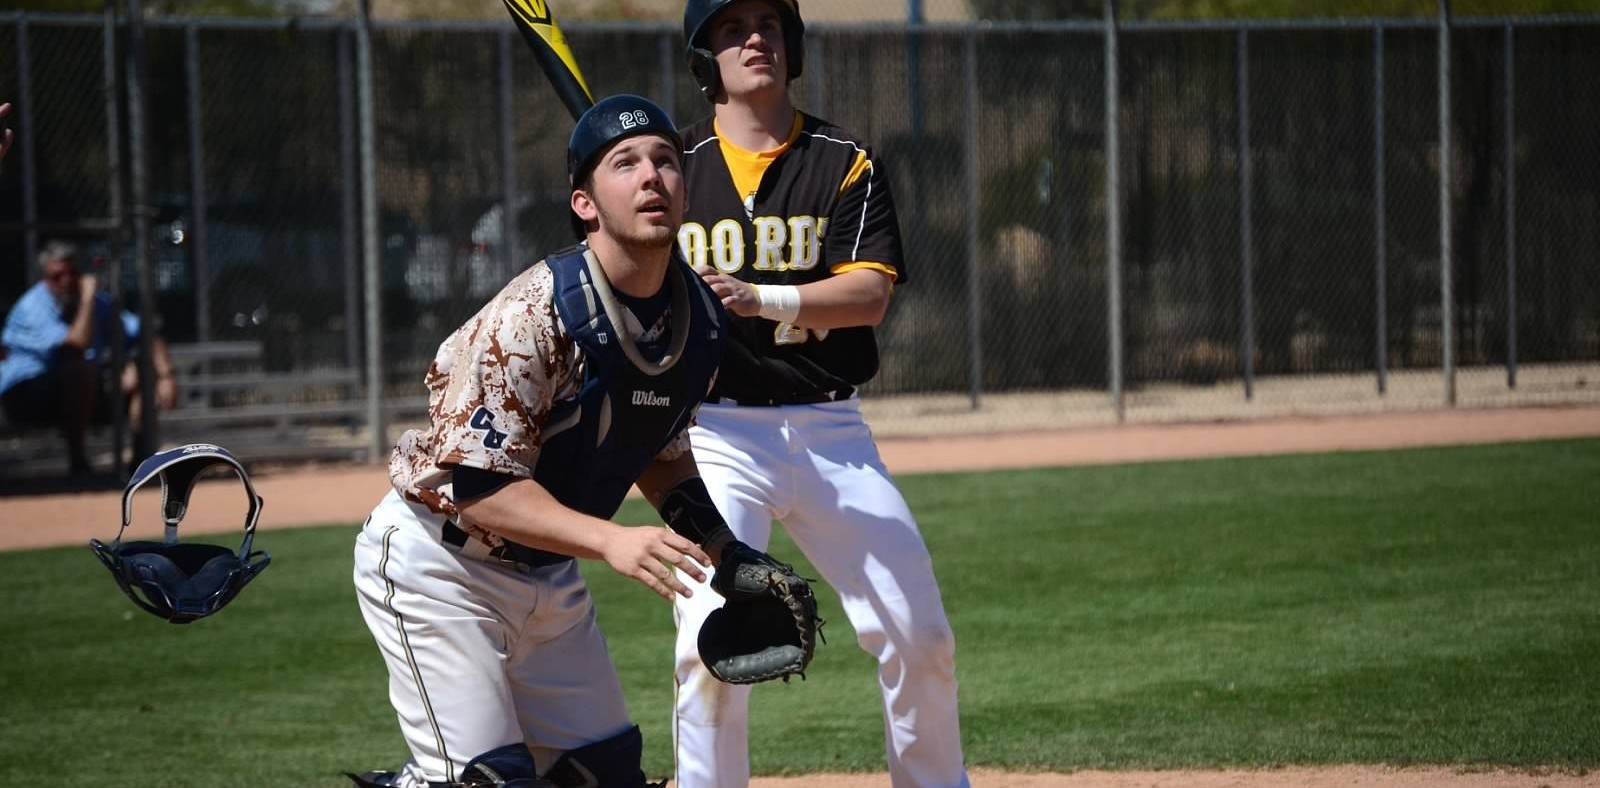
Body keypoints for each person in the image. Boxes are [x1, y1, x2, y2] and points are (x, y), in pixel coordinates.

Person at [348, 95, 757, 788]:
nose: (651, 176)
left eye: (664, 160)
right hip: (442, 563)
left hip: (548, 573)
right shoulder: (532, 317)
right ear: (585, 204)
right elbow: (479, 489)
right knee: (487, 779)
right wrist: (611, 540)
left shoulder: (697, 322)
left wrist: (729, 552)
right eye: (624, 164)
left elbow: (660, 452)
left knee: (599, 774)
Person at [668, 1, 972, 786]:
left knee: (920, 635)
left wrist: (759, 296)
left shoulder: (844, 161)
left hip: (830, 429)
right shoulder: (673, 167)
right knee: (709, 639)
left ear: (793, 44)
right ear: (706, 57)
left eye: (769, 24)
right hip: (716, 434)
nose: (755, 39)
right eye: (732, 29)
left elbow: (869, 293)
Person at [0, 241, 177, 476]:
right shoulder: (33, 307)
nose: (67, 281)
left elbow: (146, 332)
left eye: (73, 273)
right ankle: (79, 464)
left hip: (83, 390)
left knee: (141, 372)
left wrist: (165, 375)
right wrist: (87, 300)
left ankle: (141, 463)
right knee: (77, 368)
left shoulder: (97, 303)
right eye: (57, 276)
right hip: (26, 396)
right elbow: (76, 347)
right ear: (44, 278)